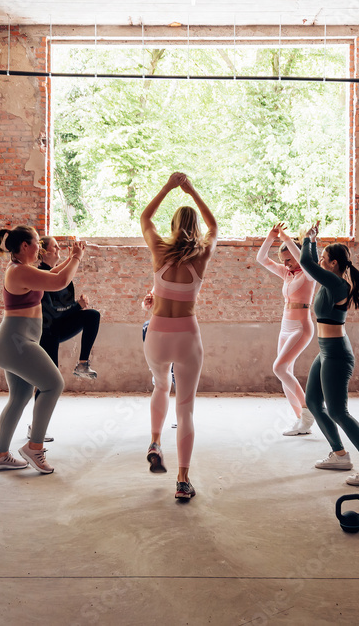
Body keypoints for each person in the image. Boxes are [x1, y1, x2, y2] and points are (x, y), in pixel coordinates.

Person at [141, 172, 217, 500]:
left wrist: (170, 187)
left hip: (157, 333)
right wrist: (191, 189)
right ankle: (183, 481)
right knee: (185, 408)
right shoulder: (201, 255)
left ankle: (155, 441)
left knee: (160, 385)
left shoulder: (159, 249)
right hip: (187, 334)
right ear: (195, 226)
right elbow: (215, 225)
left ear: (172, 225)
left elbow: (145, 216)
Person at [0, 225, 84, 474]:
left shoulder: (25, 270)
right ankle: (35, 447)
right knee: (53, 385)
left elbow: (54, 274)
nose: (40, 247)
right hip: (15, 344)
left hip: (15, 344)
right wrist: (76, 257)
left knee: (19, 398)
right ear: (25, 246)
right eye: (37, 243)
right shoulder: (18, 272)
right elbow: (60, 281)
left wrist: (72, 258)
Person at [299, 221, 359, 486]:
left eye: (325, 258)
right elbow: (312, 263)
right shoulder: (330, 281)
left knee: (338, 411)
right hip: (325, 350)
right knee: (313, 402)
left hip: (336, 354)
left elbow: (306, 263)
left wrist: (306, 239)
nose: (321, 261)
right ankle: (339, 455)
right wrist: (313, 242)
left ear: (334, 263)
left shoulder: (337, 285)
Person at [256, 222, 317, 436]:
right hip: (285, 326)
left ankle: (309, 413)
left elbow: (301, 260)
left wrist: (286, 238)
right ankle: (300, 421)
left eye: (289, 260)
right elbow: (261, 259)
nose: (287, 265)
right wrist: (271, 236)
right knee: (285, 374)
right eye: (284, 262)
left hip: (301, 327)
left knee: (279, 368)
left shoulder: (309, 274)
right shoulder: (287, 274)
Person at [37, 236, 100, 380]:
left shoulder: (56, 274)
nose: (59, 249)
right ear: (44, 252)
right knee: (51, 380)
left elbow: (66, 306)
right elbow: (51, 313)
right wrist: (77, 306)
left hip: (60, 325)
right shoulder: (39, 274)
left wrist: (73, 257)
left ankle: (82, 364)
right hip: (47, 332)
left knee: (92, 315)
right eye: (55, 246)